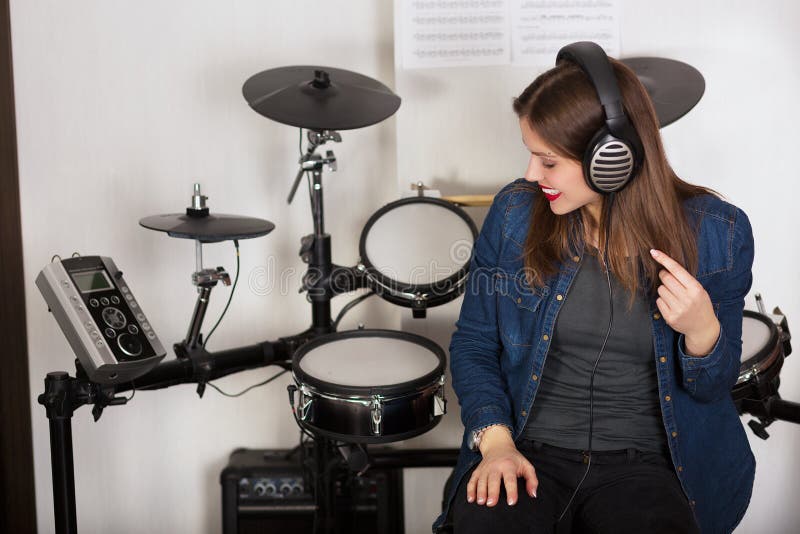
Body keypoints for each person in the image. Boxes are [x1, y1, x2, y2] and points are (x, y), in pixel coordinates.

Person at [433, 42, 755, 534]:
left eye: (548, 162)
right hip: (526, 451)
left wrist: (702, 331)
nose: (530, 175)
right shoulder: (515, 213)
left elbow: (712, 388)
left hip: (646, 467)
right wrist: (496, 444)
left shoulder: (719, 233)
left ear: (612, 159)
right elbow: (475, 342)